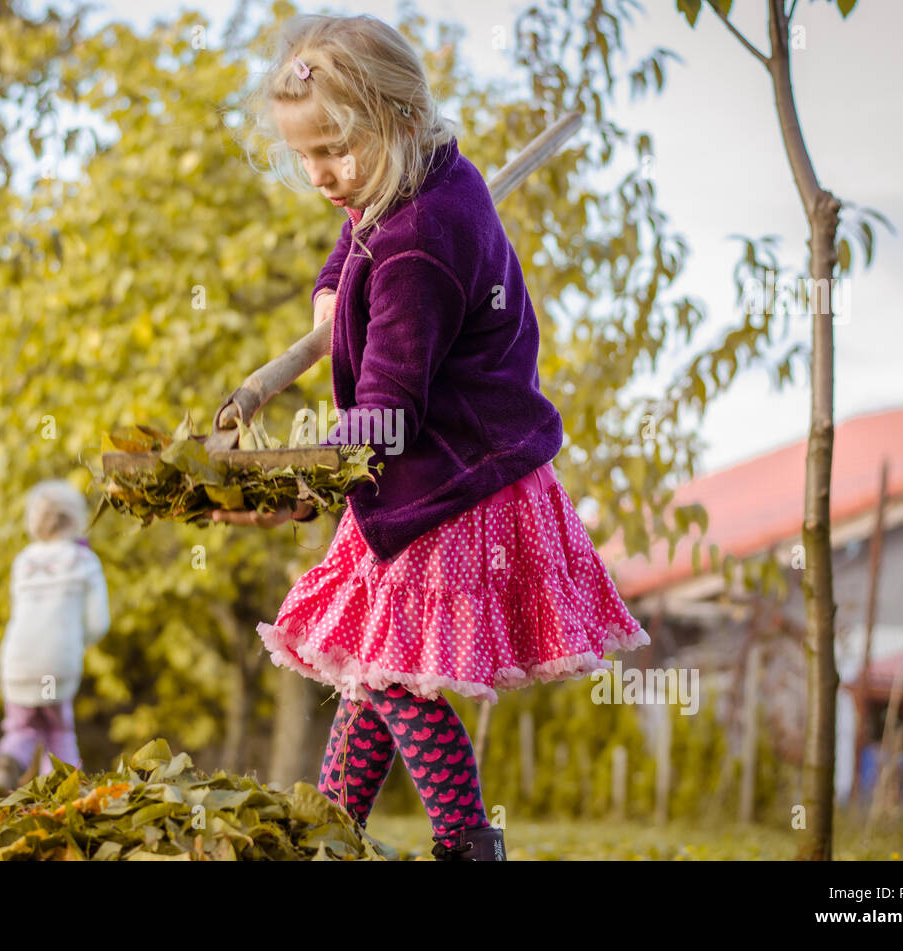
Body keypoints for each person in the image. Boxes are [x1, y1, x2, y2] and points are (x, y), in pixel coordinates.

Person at [214, 13, 649, 860]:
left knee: (394, 673)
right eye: (304, 155)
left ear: (402, 119)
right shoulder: (421, 178)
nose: (319, 174)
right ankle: (332, 835)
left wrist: (297, 485)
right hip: (430, 466)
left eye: (335, 150)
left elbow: (385, 411)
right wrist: (332, 292)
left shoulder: (421, 245)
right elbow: (355, 236)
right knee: (371, 666)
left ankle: (464, 843)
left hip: (448, 475)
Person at [0, 479, 111, 797]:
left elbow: (20, 613)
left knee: (22, 727)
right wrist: (79, 642)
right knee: (58, 729)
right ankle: (61, 792)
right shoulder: (84, 561)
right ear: (77, 519)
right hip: (58, 662)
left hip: (17, 661)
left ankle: (4, 765)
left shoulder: (24, 560)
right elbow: (99, 622)